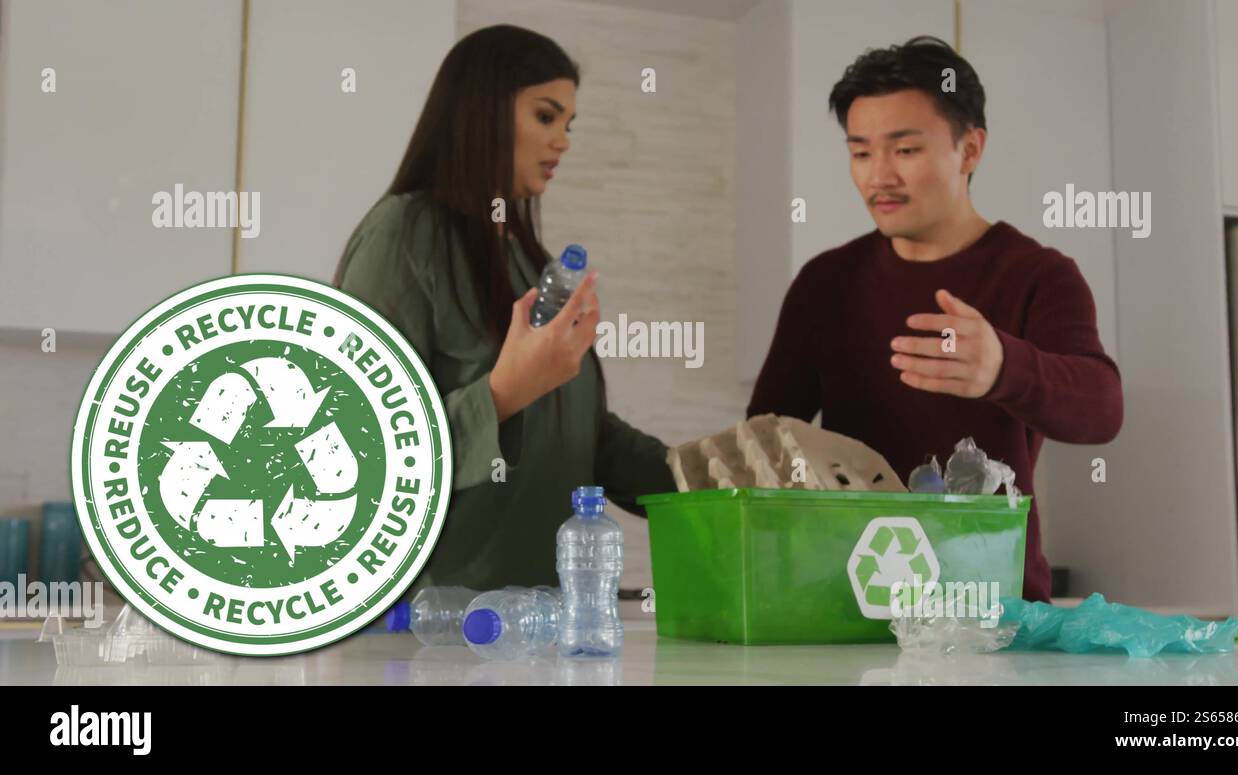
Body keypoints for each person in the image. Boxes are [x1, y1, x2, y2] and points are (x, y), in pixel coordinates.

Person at [747, 36, 1124, 602]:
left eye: (904, 150)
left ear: (969, 150)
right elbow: (767, 435)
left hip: (994, 606)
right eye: (860, 152)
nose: (879, 177)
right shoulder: (825, 283)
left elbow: (1102, 410)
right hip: (850, 598)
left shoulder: (1039, 274)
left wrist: (1003, 368)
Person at [335, 25, 675, 591]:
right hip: (432, 630)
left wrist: (705, 481)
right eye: (545, 117)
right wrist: (502, 394)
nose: (563, 141)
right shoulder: (403, 235)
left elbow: (579, 433)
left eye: (568, 124)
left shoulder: (521, 259)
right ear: (482, 111)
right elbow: (355, 444)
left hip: (541, 618)